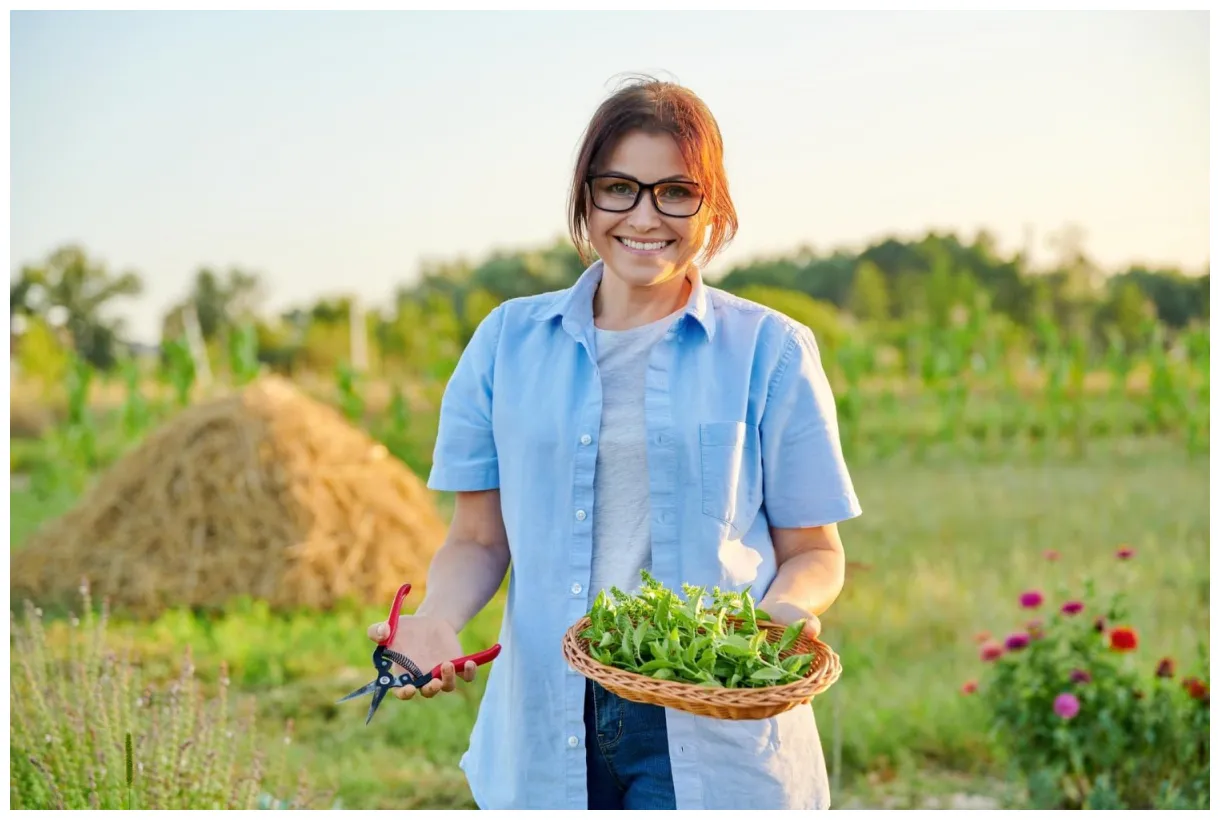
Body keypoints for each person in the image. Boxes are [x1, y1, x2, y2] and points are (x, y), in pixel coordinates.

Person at [365, 75, 862, 810]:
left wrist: (779, 618)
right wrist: (438, 617)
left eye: (676, 192)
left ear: (712, 205)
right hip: (547, 717)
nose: (645, 215)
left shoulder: (770, 351)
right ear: (587, 198)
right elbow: (477, 539)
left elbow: (815, 552)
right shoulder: (507, 342)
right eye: (619, 188)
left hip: (712, 716)